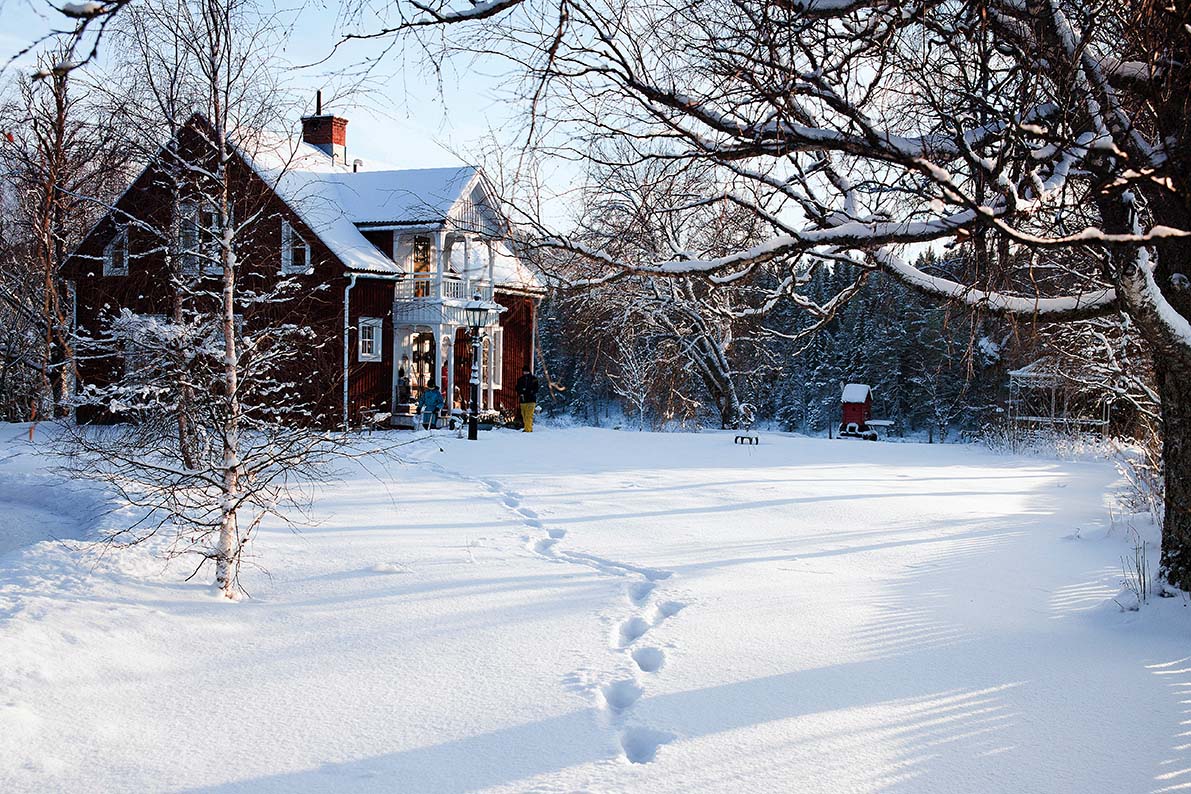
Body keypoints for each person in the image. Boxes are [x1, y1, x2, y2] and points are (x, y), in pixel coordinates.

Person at [515, 366, 540, 433]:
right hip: (523, 400)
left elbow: (536, 388)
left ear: (529, 371)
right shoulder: (520, 379)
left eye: (526, 371)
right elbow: (517, 388)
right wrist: (521, 393)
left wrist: (530, 392)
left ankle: (528, 430)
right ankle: (527, 428)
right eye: (524, 371)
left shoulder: (534, 379)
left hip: (531, 400)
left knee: (529, 415)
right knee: (524, 415)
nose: (525, 372)